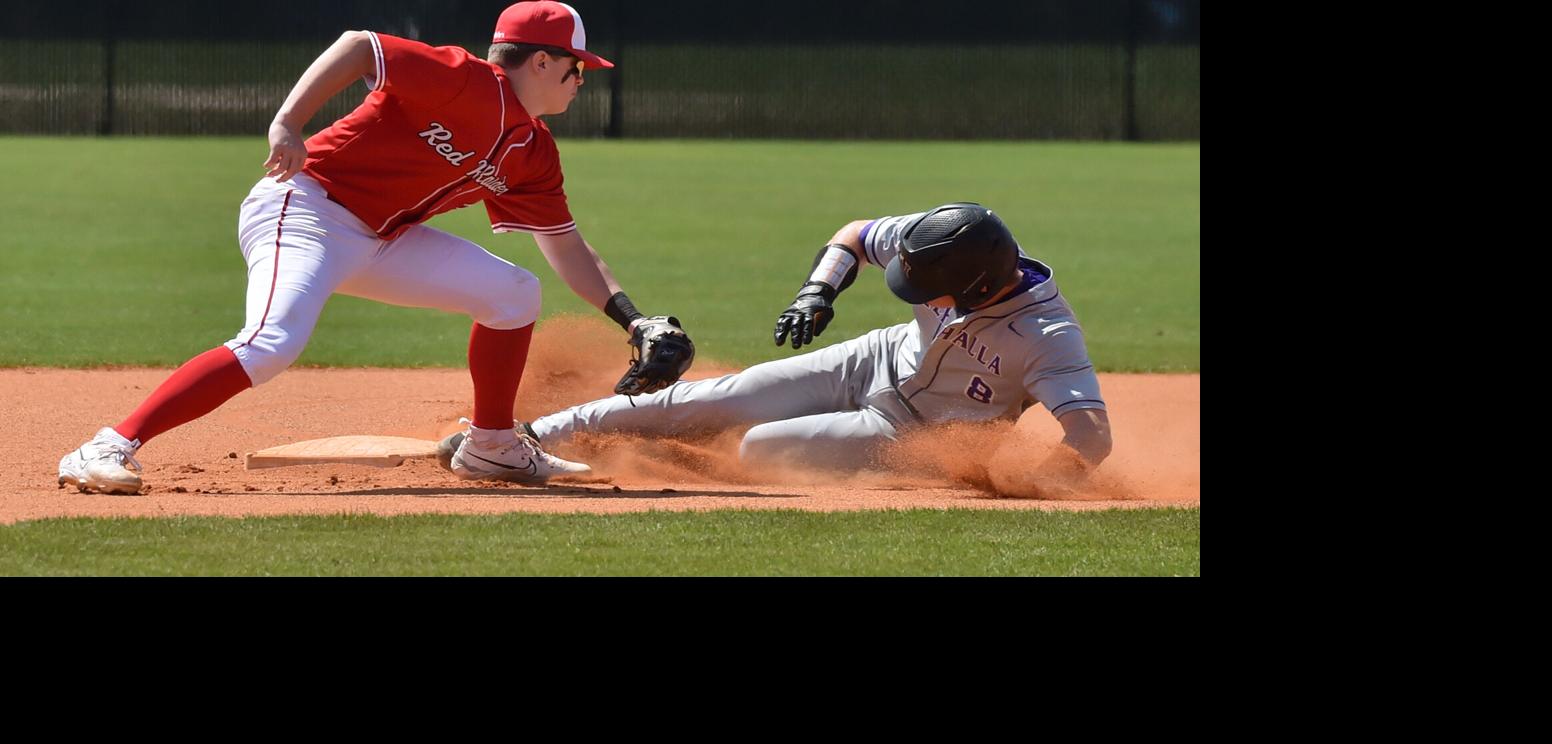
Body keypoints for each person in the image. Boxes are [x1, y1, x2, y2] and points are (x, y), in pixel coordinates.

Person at [56, 1, 691, 495]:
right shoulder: (465, 80)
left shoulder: (533, 150)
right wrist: (286, 123)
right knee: (272, 343)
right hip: (304, 208)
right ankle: (109, 444)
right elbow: (360, 46)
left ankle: (492, 444)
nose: (584, 81)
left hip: (382, 239)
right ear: (545, 62)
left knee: (515, 292)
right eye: (579, 67)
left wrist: (633, 317)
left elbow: (567, 247)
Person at [438, 203, 1111, 476]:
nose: (908, 283)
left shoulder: (1048, 338)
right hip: (867, 360)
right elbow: (855, 235)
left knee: (760, 445)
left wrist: (1028, 478)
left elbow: (1090, 436)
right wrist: (818, 290)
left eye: (923, 285)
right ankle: (532, 434)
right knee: (714, 398)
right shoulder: (949, 234)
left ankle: (659, 466)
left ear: (977, 289)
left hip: (908, 431)